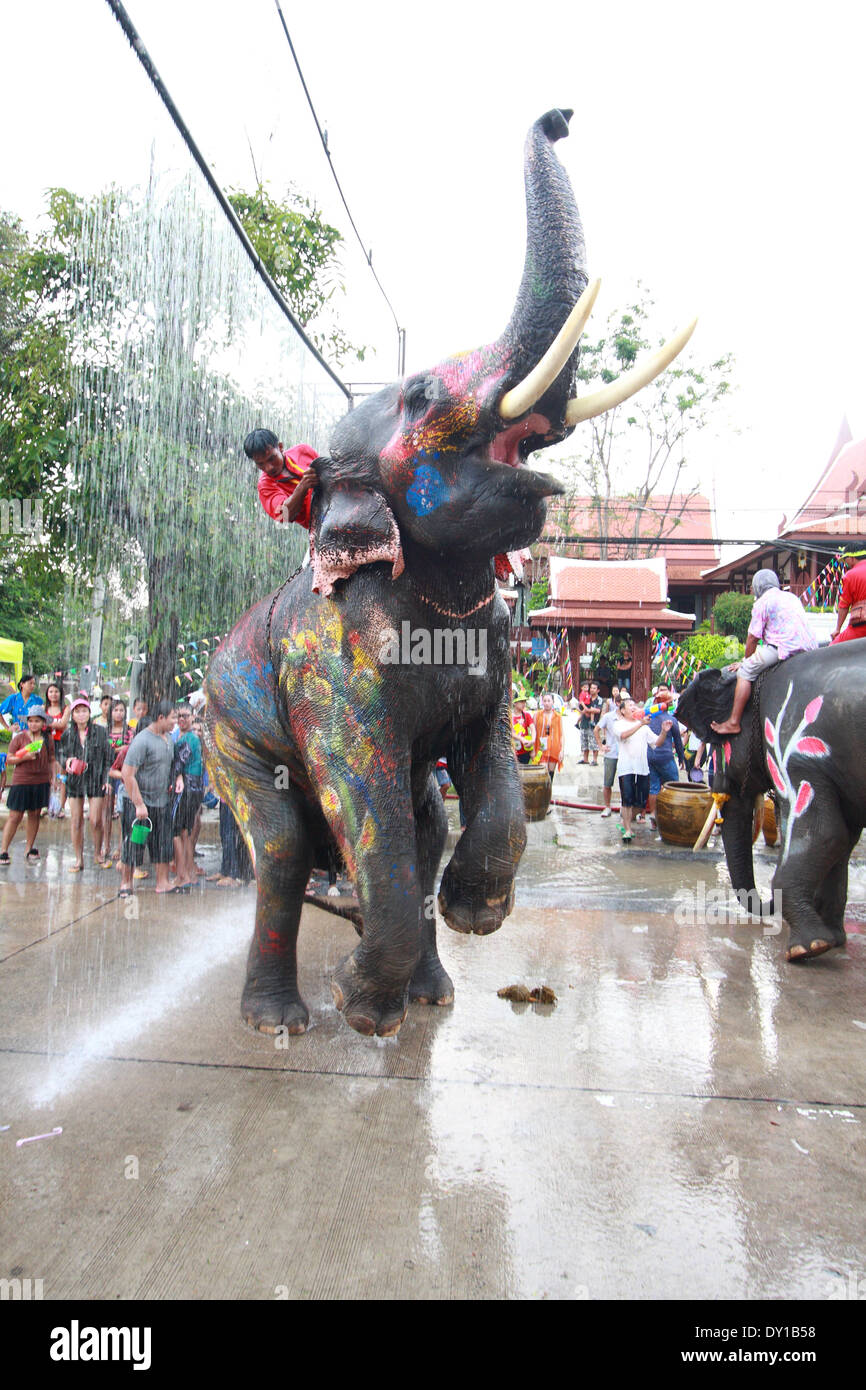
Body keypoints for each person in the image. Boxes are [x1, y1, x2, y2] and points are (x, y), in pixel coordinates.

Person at [711, 569, 819, 735]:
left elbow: (752, 639)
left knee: (745, 672)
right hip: (809, 647)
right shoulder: (791, 597)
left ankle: (733, 722)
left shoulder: (762, 603)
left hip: (782, 647)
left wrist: (745, 662)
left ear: (758, 587)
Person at [119, 701, 178, 896]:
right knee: (134, 844)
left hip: (161, 802)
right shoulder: (142, 740)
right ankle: (126, 884)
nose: (175, 722)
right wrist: (139, 804)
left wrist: (177, 779)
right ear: (161, 718)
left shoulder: (168, 738)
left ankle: (163, 883)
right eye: (173, 718)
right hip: (139, 804)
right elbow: (127, 774)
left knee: (162, 844)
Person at [59, 698, 111, 872]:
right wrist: (67, 761)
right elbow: (61, 754)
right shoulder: (67, 735)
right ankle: (78, 859)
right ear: (72, 715)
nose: (81, 714)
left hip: (95, 779)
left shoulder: (100, 732)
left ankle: (97, 853)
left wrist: (106, 779)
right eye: (77, 711)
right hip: (75, 780)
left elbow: (108, 757)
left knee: (96, 820)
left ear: (90, 713)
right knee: (76, 821)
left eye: (84, 711)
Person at [0, 706, 56, 865]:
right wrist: (24, 757)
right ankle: (4, 850)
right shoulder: (19, 738)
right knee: (15, 816)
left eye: (37, 721)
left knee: (34, 814)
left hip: (41, 781)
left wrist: (53, 777)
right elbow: (9, 759)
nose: (34, 724)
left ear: (43, 722)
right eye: (31, 721)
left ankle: (29, 847)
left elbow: (52, 759)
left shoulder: (47, 739)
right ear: (27, 722)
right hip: (22, 780)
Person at [614, 698, 675, 841]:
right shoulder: (619, 724)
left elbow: (657, 743)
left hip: (642, 768)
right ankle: (628, 830)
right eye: (629, 705)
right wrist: (640, 723)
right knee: (627, 800)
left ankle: (625, 821)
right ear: (622, 710)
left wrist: (664, 731)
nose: (633, 707)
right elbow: (623, 736)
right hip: (626, 768)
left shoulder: (645, 727)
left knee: (641, 803)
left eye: (634, 705)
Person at [244, 428, 320, 529]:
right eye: (260, 464)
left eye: (272, 458)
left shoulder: (303, 451)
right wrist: (302, 487)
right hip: (320, 530)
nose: (269, 467)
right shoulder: (265, 486)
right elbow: (284, 515)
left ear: (280, 447)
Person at [170, 704, 203, 890]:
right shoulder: (186, 737)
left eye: (185, 716)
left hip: (188, 788)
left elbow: (178, 763)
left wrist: (176, 775)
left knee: (179, 831)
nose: (182, 719)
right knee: (185, 832)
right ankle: (188, 873)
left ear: (192, 717)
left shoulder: (190, 739)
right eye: (179, 716)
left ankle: (183, 875)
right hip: (192, 787)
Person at [645, 685, 685, 826]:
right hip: (666, 757)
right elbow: (678, 742)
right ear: (667, 704)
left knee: (654, 787)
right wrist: (681, 758)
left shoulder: (648, 718)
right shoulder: (670, 720)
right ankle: (673, 815)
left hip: (650, 757)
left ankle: (653, 815)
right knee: (673, 785)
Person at [101, 699, 132, 863]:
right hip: (107, 771)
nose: (118, 713)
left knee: (121, 810)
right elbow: (102, 750)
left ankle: (120, 846)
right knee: (106, 809)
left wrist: (117, 749)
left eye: (121, 710)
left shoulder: (129, 731)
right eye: (115, 710)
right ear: (110, 712)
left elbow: (131, 748)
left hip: (123, 773)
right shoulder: (104, 731)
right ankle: (106, 844)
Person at [595, 695, 622, 818]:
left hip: (625, 755)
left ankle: (625, 806)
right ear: (617, 703)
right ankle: (607, 806)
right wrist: (601, 746)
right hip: (611, 753)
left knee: (625, 782)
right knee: (607, 782)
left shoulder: (631, 717)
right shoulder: (609, 717)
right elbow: (596, 729)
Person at [831, 553, 866, 643]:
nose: (845, 564)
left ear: (851, 558)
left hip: (861, 626)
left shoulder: (850, 575)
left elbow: (844, 605)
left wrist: (837, 629)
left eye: (845, 560)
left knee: (833, 648)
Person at [534, 692, 563, 784]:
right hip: (541, 747)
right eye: (545, 701)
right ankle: (542, 794)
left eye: (549, 701)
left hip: (554, 748)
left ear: (553, 702)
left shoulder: (557, 717)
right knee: (543, 772)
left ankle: (548, 794)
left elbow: (561, 734)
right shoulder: (537, 715)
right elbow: (533, 731)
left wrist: (562, 750)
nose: (546, 703)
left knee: (551, 773)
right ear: (542, 702)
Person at [577, 681, 602, 765]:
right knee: (584, 741)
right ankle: (585, 759)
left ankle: (595, 760)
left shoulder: (599, 699)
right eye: (591, 688)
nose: (591, 690)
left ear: (598, 690)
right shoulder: (586, 696)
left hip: (593, 724)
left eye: (594, 688)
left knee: (594, 742)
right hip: (584, 722)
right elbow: (580, 706)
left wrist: (587, 710)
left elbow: (598, 710)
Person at [511, 694, 535, 764]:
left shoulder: (526, 715)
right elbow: (510, 733)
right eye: (521, 701)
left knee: (524, 771)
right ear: (514, 703)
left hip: (525, 749)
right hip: (513, 751)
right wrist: (521, 739)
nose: (524, 704)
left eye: (524, 701)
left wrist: (533, 740)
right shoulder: (509, 716)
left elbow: (533, 729)